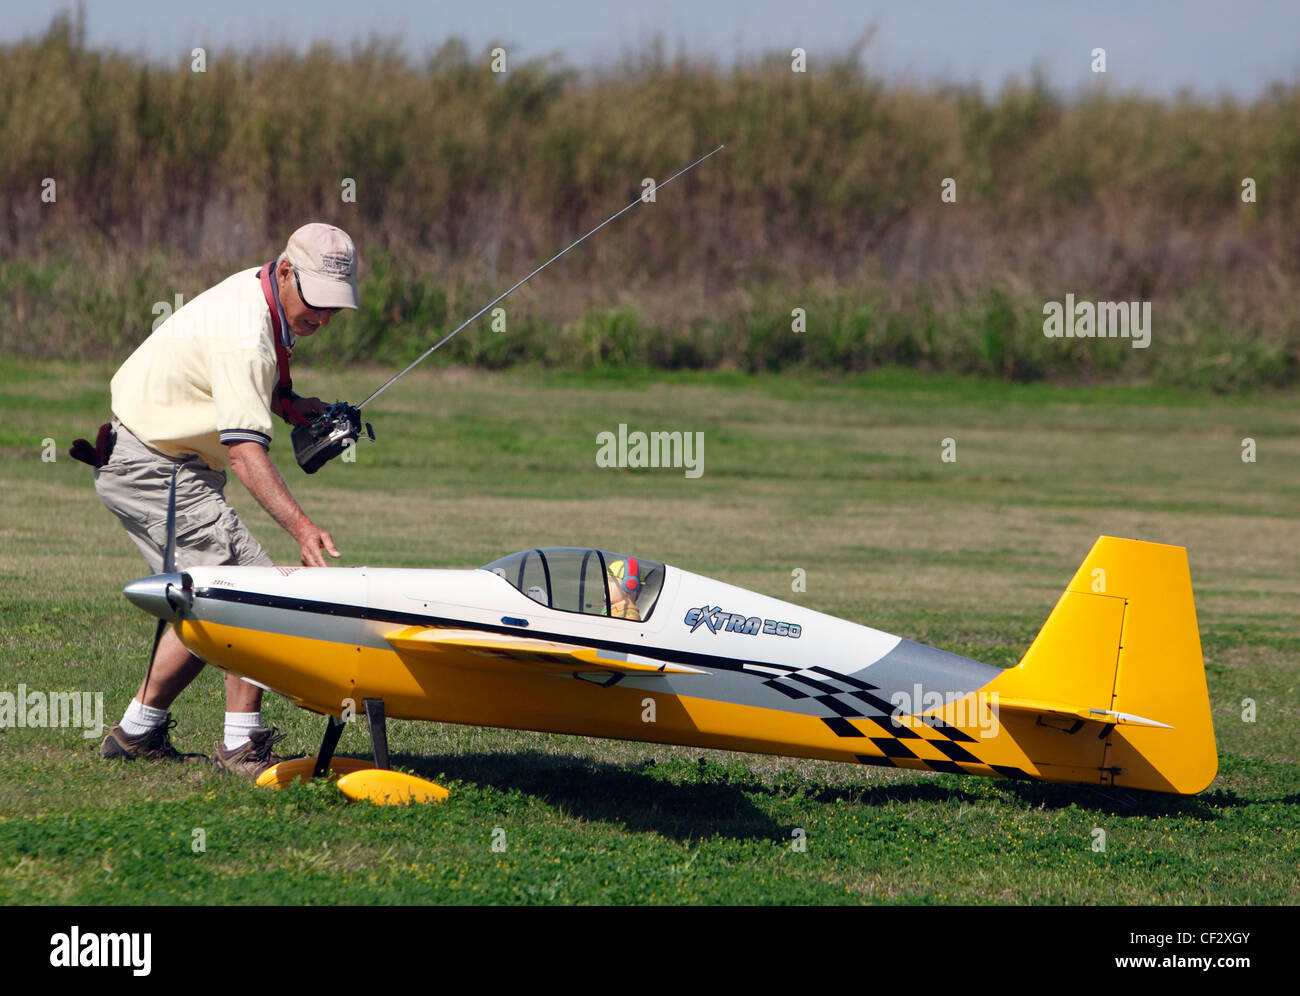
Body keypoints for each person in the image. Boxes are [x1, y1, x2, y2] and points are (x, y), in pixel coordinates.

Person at [87, 223, 360, 777]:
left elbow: (249, 382)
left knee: (204, 599)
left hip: (155, 456)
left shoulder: (259, 296)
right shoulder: (246, 334)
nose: (324, 318)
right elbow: (245, 456)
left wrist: (290, 404)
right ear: (286, 272)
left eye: (336, 307)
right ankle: (242, 745)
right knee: (250, 594)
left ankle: (137, 732)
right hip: (155, 465)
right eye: (318, 302)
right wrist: (304, 529)